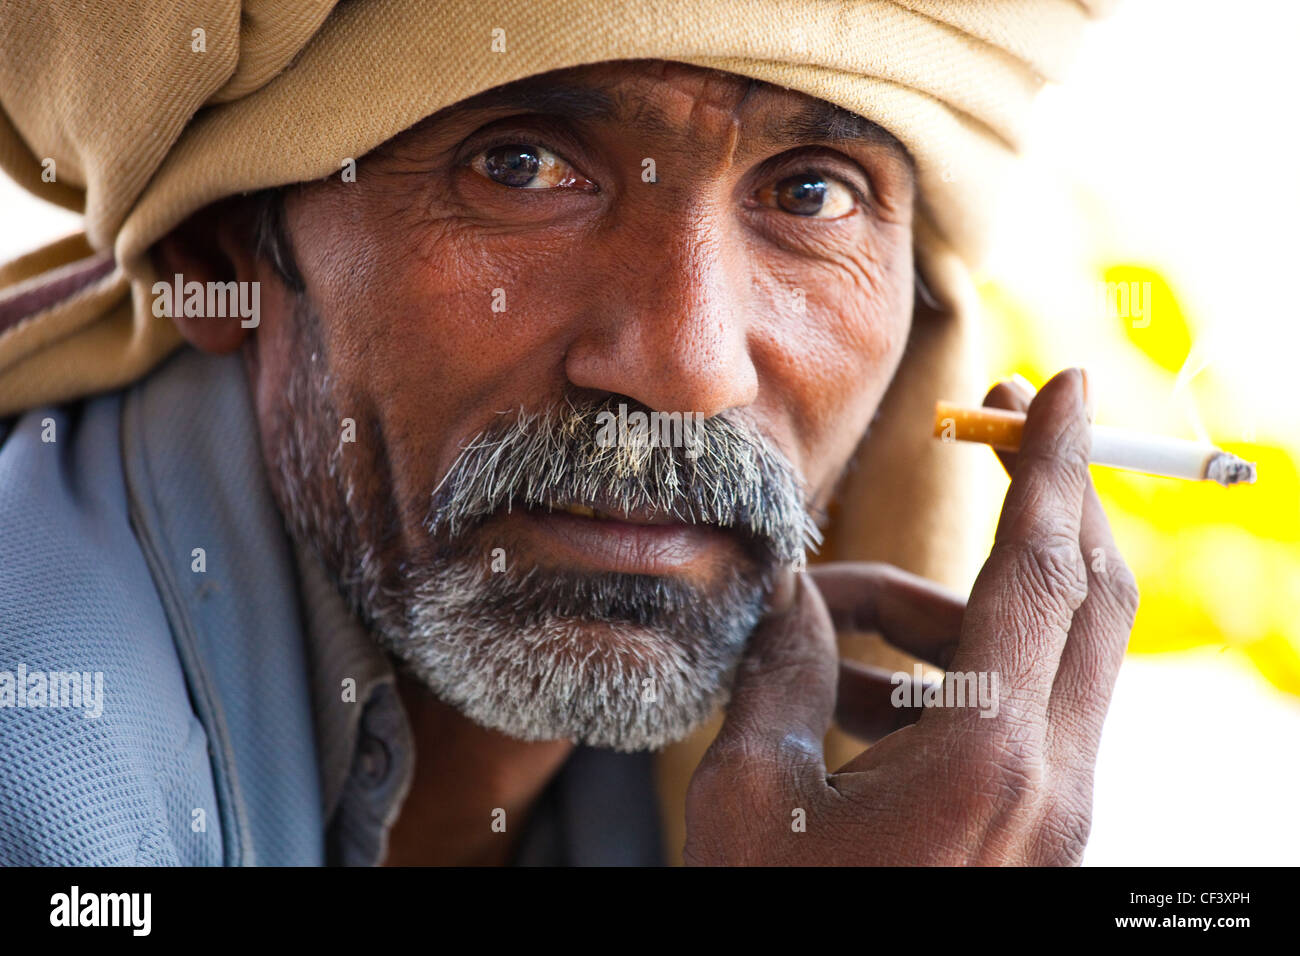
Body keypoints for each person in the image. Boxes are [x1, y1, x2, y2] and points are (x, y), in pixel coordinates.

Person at [0, 0, 1135, 865]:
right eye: (521, 166)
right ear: (220, 254)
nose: (689, 366)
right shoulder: (47, 786)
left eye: (809, 196)